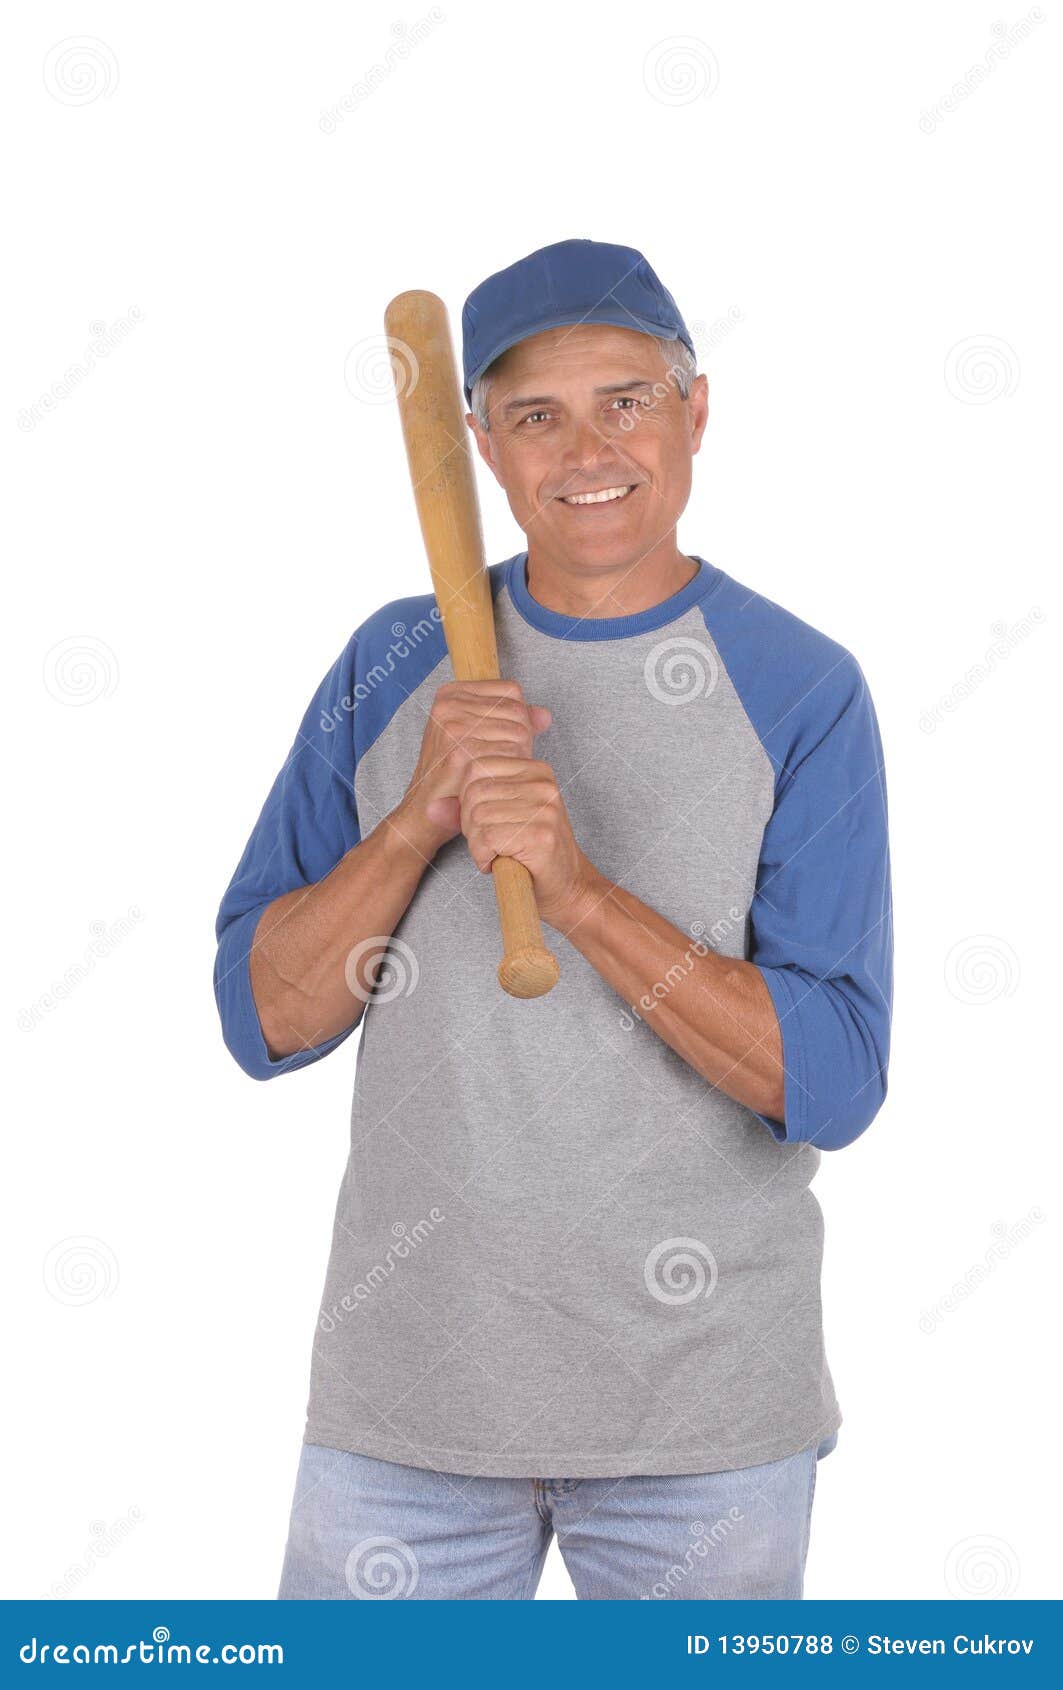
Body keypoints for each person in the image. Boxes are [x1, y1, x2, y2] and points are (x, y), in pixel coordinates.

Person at [213, 239, 893, 1600]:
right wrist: (414, 823)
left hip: (704, 1419)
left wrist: (577, 893)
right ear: (481, 445)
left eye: (626, 401)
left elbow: (830, 1078)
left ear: (696, 411)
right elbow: (262, 1018)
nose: (588, 450)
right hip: (407, 1408)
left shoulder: (799, 686)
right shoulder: (391, 664)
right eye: (535, 415)